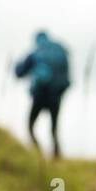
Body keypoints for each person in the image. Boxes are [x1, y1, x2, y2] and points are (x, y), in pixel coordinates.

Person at [14, 30, 71, 159]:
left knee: (30, 125)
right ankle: (56, 155)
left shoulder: (36, 53)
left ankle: (37, 152)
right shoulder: (60, 51)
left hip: (39, 94)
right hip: (56, 94)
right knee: (54, 127)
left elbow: (20, 72)